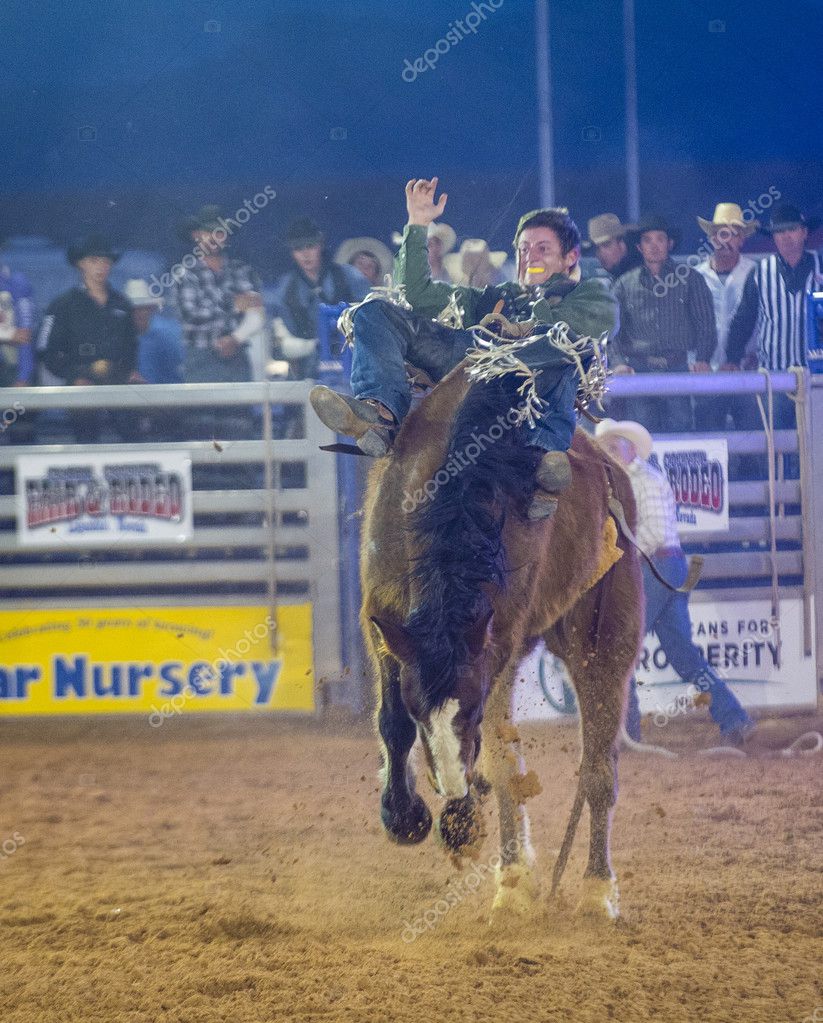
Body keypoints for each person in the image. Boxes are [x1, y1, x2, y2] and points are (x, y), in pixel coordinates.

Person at [309, 177, 618, 520]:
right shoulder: (494, 297)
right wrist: (417, 225)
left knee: (562, 346)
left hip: (531, 383)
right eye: (524, 249)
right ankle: (381, 414)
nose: (530, 256)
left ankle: (543, 459)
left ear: (570, 257)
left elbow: (593, 326)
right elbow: (419, 294)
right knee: (373, 312)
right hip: (472, 365)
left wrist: (529, 321)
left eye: (542, 249)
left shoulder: (589, 293)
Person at [595, 418, 755, 745]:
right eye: (605, 448)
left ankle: (626, 733)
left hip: (656, 566)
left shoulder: (645, 481)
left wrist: (614, 553)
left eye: (613, 447)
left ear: (630, 449)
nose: (608, 454)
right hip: (664, 567)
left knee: (620, 644)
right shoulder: (629, 483)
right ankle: (734, 718)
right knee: (682, 654)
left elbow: (651, 535)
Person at [612, 214, 717, 433]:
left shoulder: (690, 279)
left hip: (677, 367)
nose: (654, 246)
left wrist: (703, 358)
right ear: (639, 247)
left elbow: (706, 323)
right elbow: (612, 331)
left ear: (669, 244)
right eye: (647, 240)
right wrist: (619, 362)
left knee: (681, 431)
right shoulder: (624, 284)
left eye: (660, 239)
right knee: (640, 435)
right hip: (638, 370)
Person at [725, 203, 823, 429]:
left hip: (816, 378)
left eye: (791, 229)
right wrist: (732, 357)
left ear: (804, 232)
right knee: (775, 442)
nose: (786, 236)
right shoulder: (760, 272)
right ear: (773, 237)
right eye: (779, 231)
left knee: (815, 445)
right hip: (774, 375)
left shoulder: (820, 266)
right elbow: (744, 319)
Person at [39, 235, 142, 443]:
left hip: (118, 381)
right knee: (86, 432)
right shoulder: (62, 305)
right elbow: (45, 350)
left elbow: (131, 346)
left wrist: (129, 371)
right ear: (80, 264)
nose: (101, 266)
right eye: (94, 260)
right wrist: (77, 375)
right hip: (80, 383)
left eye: (106, 261)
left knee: (135, 428)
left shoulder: (121, 303)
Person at [172, 204, 265, 386]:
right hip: (200, 359)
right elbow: (191, 315)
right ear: (196, 235)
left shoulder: (242, 270)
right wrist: (233, 305)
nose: (214, 238)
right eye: (208, 232)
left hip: (238, 357)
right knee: (202, 413)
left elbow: (257, 313)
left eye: (220, 232)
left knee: (240, 413)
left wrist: (236, 338)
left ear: (227, 237)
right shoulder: (184, 273)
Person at [271, 217, 370, 377]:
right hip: (306, 370)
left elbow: (370, 321)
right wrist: (315, 346)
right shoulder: (286, 288)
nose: (305, 254)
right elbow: (282, 343)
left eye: (310, 246)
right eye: (298, 248)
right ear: (291, 252)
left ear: (320, 245)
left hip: (353, 365)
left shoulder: (349, 277)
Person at [693, 203, 760, 433]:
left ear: (742, 240)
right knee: (708, 440)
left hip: (746, 372)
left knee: (753, 438)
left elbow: (765, 319)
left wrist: (756, 354)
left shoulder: (757, 273)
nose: (726, 240)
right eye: (721, 234)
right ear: (712, 239)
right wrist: (696, 360)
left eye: (734, 234)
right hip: (706, 375)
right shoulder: (695, 276)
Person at [125, 279, 183, 385]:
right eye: (135, 309)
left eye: (143, 308)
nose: (140, 314)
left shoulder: (163, 341)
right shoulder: (119, 342)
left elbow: (174, 378)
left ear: (151, 310)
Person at [582, 213, 641, 281]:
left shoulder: (641, 273)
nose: (601, 253)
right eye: (597, 248)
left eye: (606, 245)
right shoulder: (619, 273)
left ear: (622, 244)